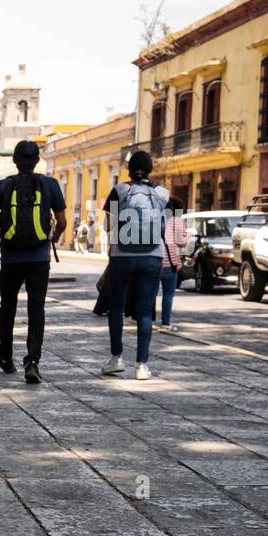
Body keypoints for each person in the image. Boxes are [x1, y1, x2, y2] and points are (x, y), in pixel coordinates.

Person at [0, 139, 67, 385]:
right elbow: (62, 222)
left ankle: (6, 358)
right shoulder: (50, 184)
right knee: (36, 309)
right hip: (39, 258)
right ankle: (33, 361)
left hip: (11, 258)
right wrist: (54, 237)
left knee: (7, 307)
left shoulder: (4, 185)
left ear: (15, 161)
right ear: (37, 160)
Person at [99, 151, 183, 381]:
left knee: (116, 307)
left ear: (129, 168)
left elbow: (108, 226)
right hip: (152, 257)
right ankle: (142, 365)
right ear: (150, 169)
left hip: (121, 256)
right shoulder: (162, 194)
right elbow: (169, 223)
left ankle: (116, 359)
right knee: (145, 312)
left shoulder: (119, 191)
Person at [158, 208, 186, 333]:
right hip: (171, 263)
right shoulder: (177, 221)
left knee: (149, 294)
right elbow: (182, 243)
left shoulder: (154, 218)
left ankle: (143, 319)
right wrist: (188, 235)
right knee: (168, 295)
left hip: (154, 262)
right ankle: (165, 323)